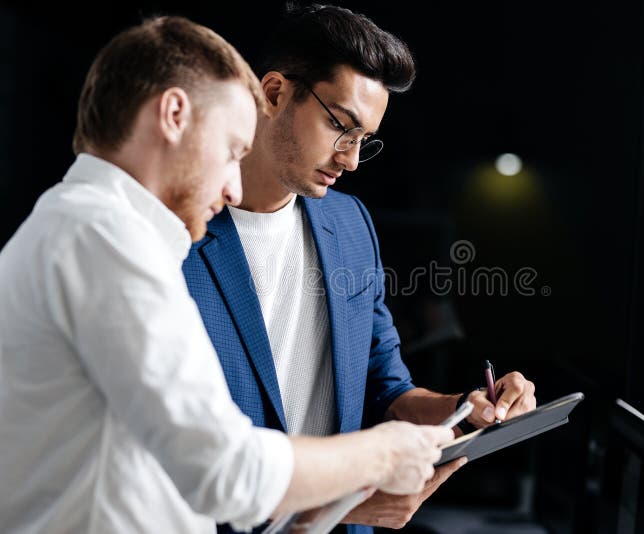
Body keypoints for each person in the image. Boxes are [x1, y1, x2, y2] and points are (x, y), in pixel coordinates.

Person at [0, 15, 453, 534]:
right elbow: (224, 469)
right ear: (174, 115)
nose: (233, 189)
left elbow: (161, 463)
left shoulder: (86, 229)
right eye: (232, 150)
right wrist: (383, 454)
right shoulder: (102, 238)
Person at [181, 5, 537, 532]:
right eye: (340, 126)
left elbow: (387, 389)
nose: (349, 159)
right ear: (274, 93)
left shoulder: (349, 224)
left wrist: (467, 406)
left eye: (364, 140)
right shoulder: (177, 232)